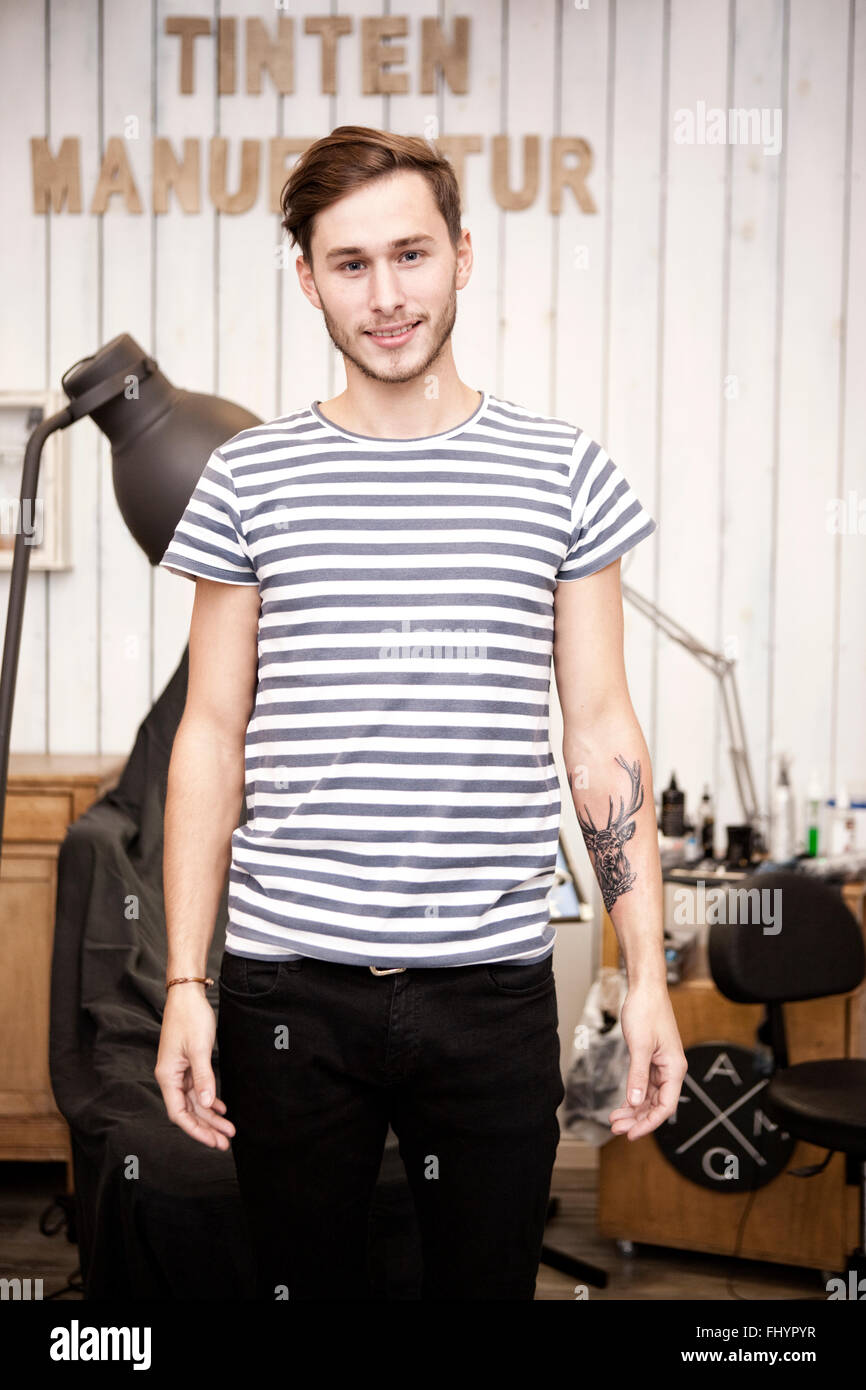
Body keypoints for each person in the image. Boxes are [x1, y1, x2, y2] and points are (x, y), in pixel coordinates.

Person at [154, 124, 687, 1302]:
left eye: (410, 255)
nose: (386, 297)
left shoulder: (562, 472)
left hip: (490, 990)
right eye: (350, 264)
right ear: (307, 278)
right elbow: (210, 733)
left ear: (461, 254)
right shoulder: (248, 478)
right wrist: (185, 984)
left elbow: (599, 730)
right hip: (286, 987)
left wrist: (643, 969)